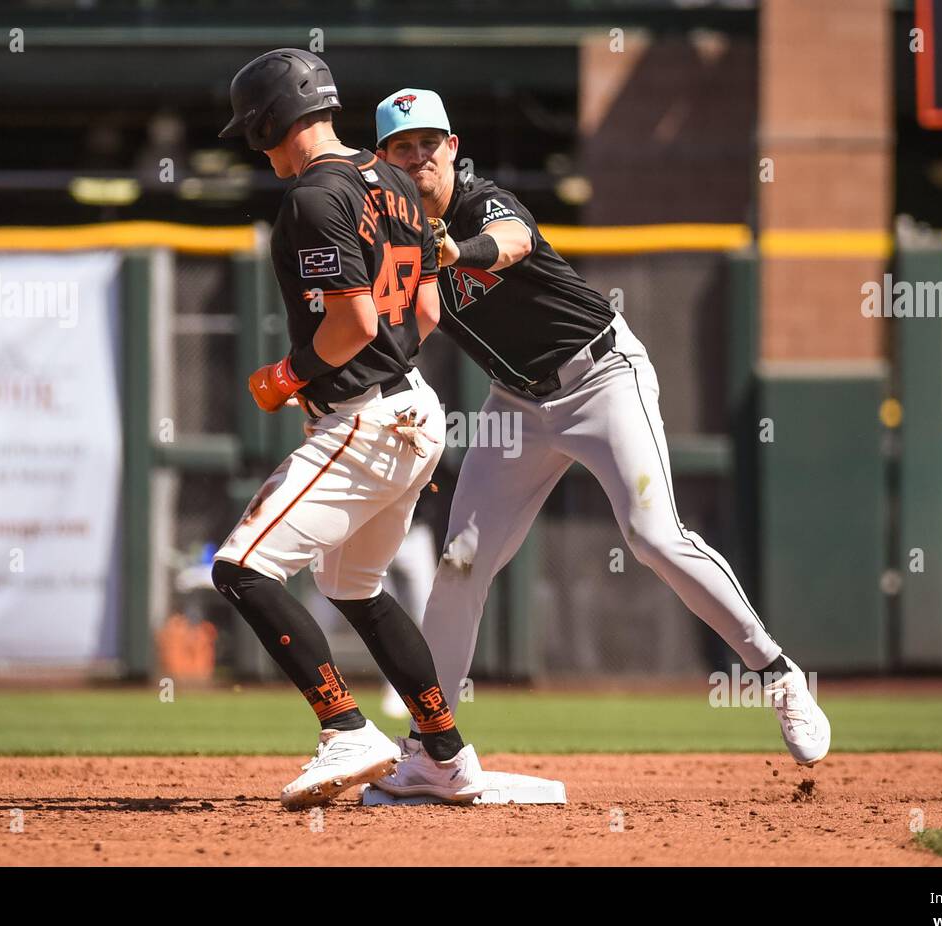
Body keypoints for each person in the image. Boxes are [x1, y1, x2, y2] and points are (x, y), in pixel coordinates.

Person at [371, 88, 831, 794]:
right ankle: (433, 750)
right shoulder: (395, 239)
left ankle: (779, 675)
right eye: (402, 147)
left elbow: (513, 243)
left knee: (652, 536)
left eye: (429, 142)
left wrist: (455, 249)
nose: (419, 156)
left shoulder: (479, 202)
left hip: (601, 376)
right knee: (460, 563)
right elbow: (418, 321)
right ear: (384, 160)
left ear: (453, 149)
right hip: (516, 403)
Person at [210, 53, 487, 809]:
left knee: (241, 569)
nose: (258, 148)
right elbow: (424, 313)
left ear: (271, 120)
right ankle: (446, 755)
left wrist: (288, 377)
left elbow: (354, 323)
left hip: (364, 418)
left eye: (256, 132)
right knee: (355, 587)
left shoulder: (311, 196)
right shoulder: (396, 180)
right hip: (415, 410)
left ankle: (346, 729)